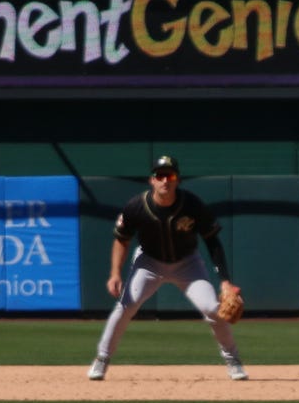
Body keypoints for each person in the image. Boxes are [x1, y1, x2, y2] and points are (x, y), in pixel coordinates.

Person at [90, 154, 246, 382]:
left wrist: (225, 281)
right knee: (125, 306)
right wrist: (115, 273)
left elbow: (212, 240)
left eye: (170, 176)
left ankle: (233, 359)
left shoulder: (192, 204)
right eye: (160, 175)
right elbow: (121, 239)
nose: (165, 180)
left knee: (213, 309)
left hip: (187, 264)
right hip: (149, 263)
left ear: (177, 180)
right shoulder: (136, 206)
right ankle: (102, 358)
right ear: (152, 180)